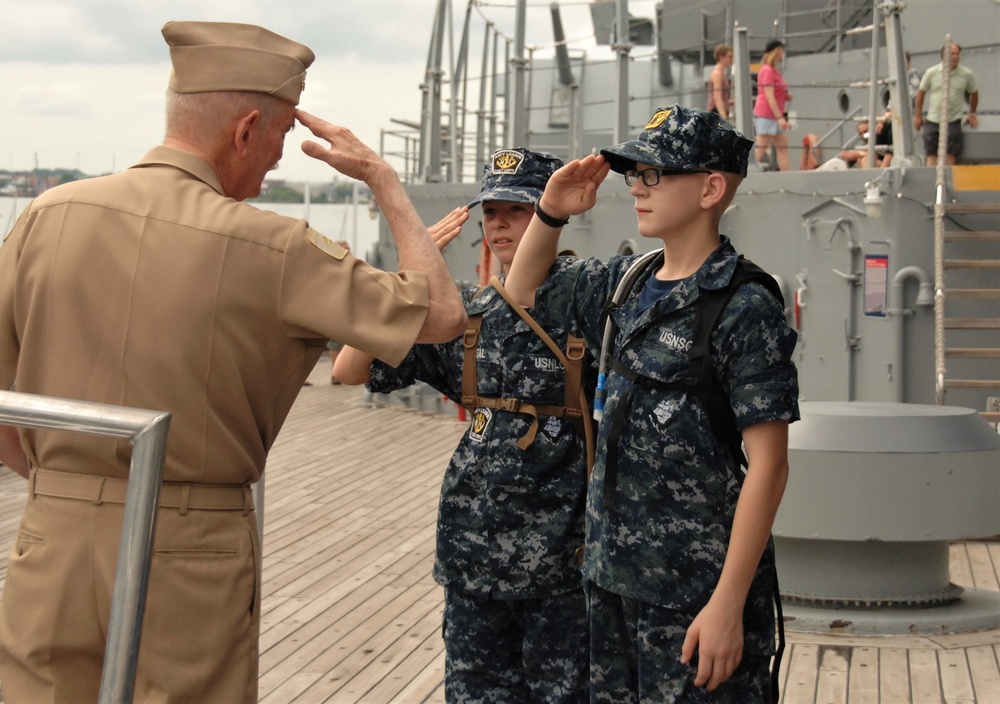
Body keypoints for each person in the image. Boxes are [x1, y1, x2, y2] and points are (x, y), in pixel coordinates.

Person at [0, 20, 466, 703]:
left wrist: (61, 482)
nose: (277, 161)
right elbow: (443, 316)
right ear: (246, 129)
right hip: (190, 544)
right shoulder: (274, 248)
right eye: (278, 141)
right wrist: (383, 182)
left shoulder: (47, 215)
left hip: (54, 533)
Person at [505, 105, 800, 701]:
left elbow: (769, 464)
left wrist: (727, 605)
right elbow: (522, 291)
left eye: (656, 173)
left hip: (694, 595)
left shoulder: (743, 305)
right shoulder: (627, 283)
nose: (636, 186)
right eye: (634, 173)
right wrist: (551, 211)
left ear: (711, 188)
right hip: (612, 583)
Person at [334, 148, 593, 703]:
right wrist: (400, 281)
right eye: (490, 210)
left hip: (563, 572)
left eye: (515, 209)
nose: (497, 222)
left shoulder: (588, 302)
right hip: (473, 567)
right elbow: (349, 369)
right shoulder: (467, 317)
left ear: (550, 212)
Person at [914, 42, 979, 166]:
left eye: (957, 54)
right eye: (951, 54)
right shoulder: (931, 73)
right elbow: (921, 93)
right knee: (931, 153)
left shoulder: (966, 74)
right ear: (943, 56)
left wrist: (972, 113)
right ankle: (931, 181)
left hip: (953, 120)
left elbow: (974, 93)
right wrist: (917, 116)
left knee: (950, 153)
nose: (955, 56)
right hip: (933, 120)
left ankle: (947, 183)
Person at [753, 39, 793, 171]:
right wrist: (780, 118)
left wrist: (785, 96)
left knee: (782, 146)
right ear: (777, 51)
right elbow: (768, 95)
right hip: (767, 114)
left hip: (772, 115)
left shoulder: (773, 70)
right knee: (761, 147)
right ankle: (742, 171)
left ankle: (788, 175)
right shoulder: (767, 70)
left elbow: (774, 92)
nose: (783, 53)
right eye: (781, 50)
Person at [707, 44, 733, 121]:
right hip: (716, 112)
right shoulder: (717, 74)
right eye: (729, 56)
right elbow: (717, 96)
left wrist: (729, 102)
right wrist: (723, 115)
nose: (732, 59)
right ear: (721, 57)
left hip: (719, 110)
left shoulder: (722, 73)